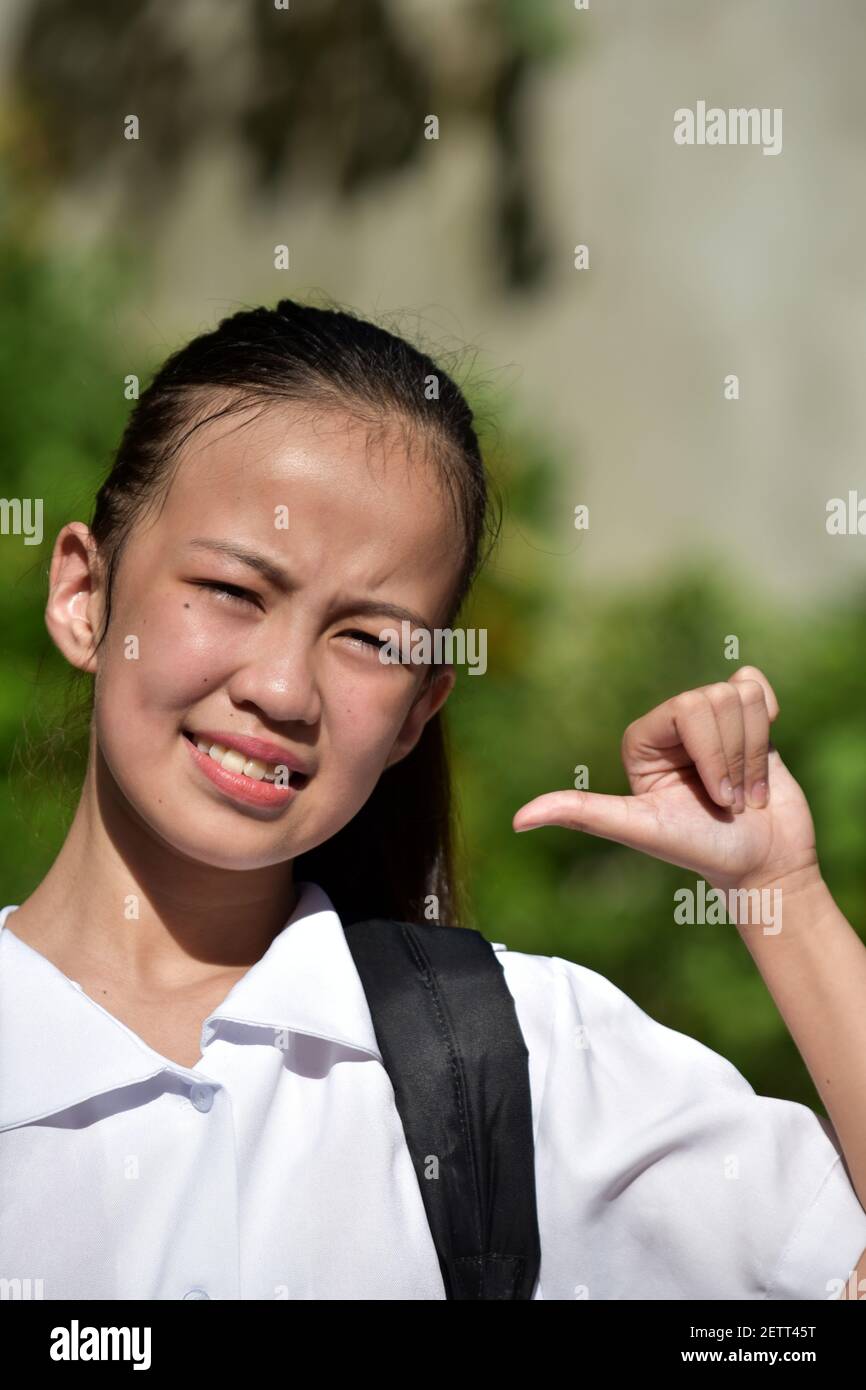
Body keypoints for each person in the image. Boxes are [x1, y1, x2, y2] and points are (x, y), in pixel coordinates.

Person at [1, 298, 864, 1301]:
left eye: (371, 638)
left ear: (418, 710)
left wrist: (780, 891)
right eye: (234, 590)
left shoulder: (526, 1060)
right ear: (83, 595)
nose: (281, 688)